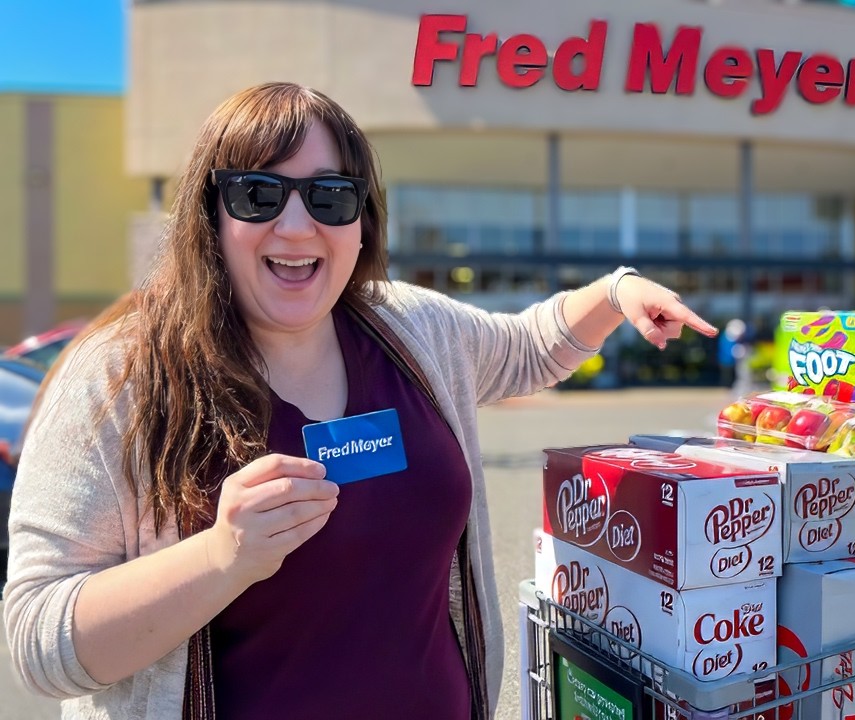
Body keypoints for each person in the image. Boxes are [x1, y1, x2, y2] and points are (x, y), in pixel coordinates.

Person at [2, 82, 717, 720]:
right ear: (208, 214)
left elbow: (528, 346)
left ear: (362, 220)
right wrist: (219, 558)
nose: (295, 226)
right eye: (259, 194)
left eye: (329, 197)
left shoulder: (409, 328)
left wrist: (617, 290)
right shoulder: (121, 378)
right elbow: (38, 643)